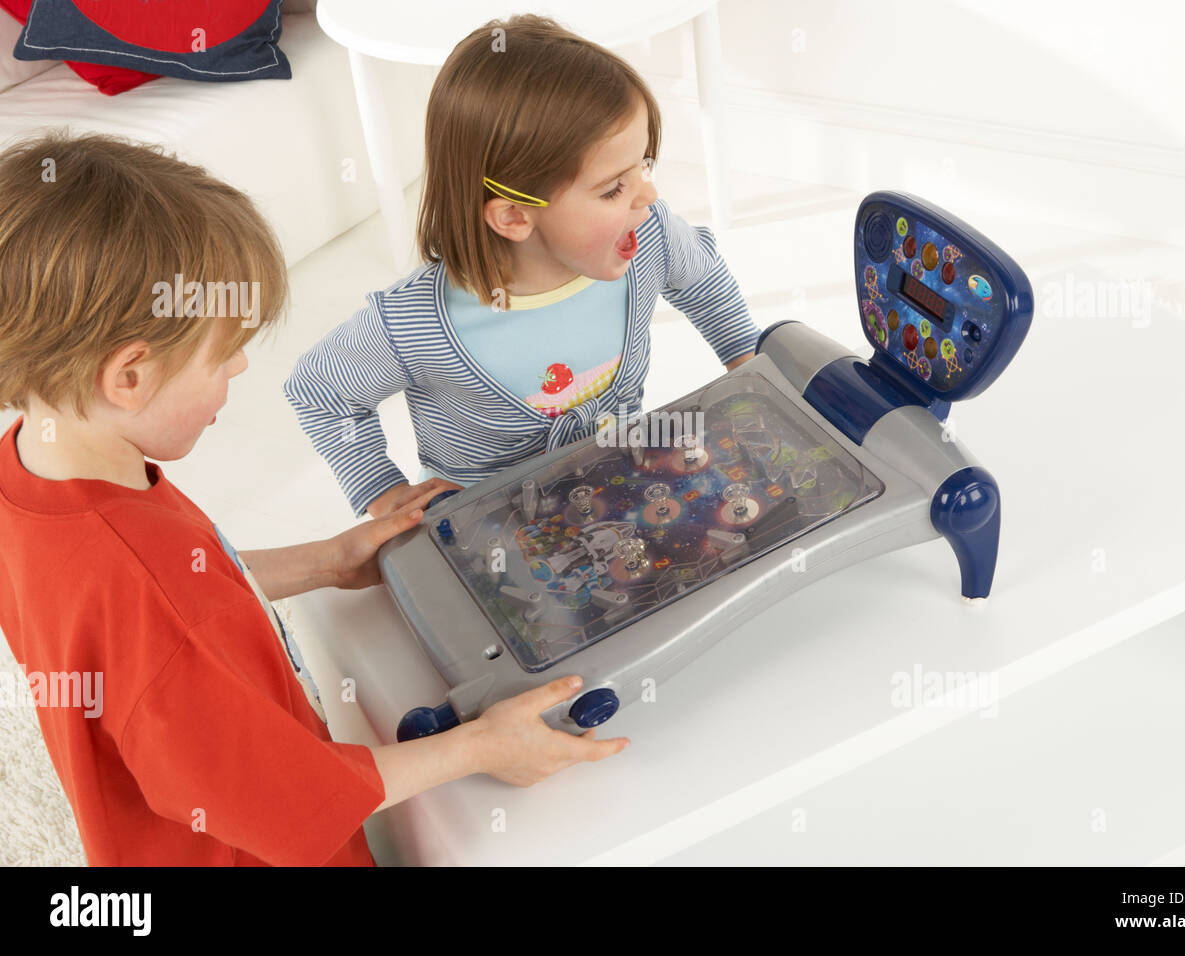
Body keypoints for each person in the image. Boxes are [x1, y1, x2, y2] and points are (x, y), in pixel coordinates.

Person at [0, 132, 628, 867]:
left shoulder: (33, 469)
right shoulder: (138, 577)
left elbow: (174, 589)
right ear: (129, 377)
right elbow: (279, 794)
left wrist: (326, 561)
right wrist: (481, 747)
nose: (237, 365)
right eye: (224, 350)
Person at [284, 13, 760, 519]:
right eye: (613, 188)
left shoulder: (648, 235)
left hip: (620, 499)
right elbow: (319, 389)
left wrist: (748, 364)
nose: (648, 195)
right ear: (514, 215)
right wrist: (380, 490)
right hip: (488, 538)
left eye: (644, 165)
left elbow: (702, 278)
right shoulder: (415, 323)